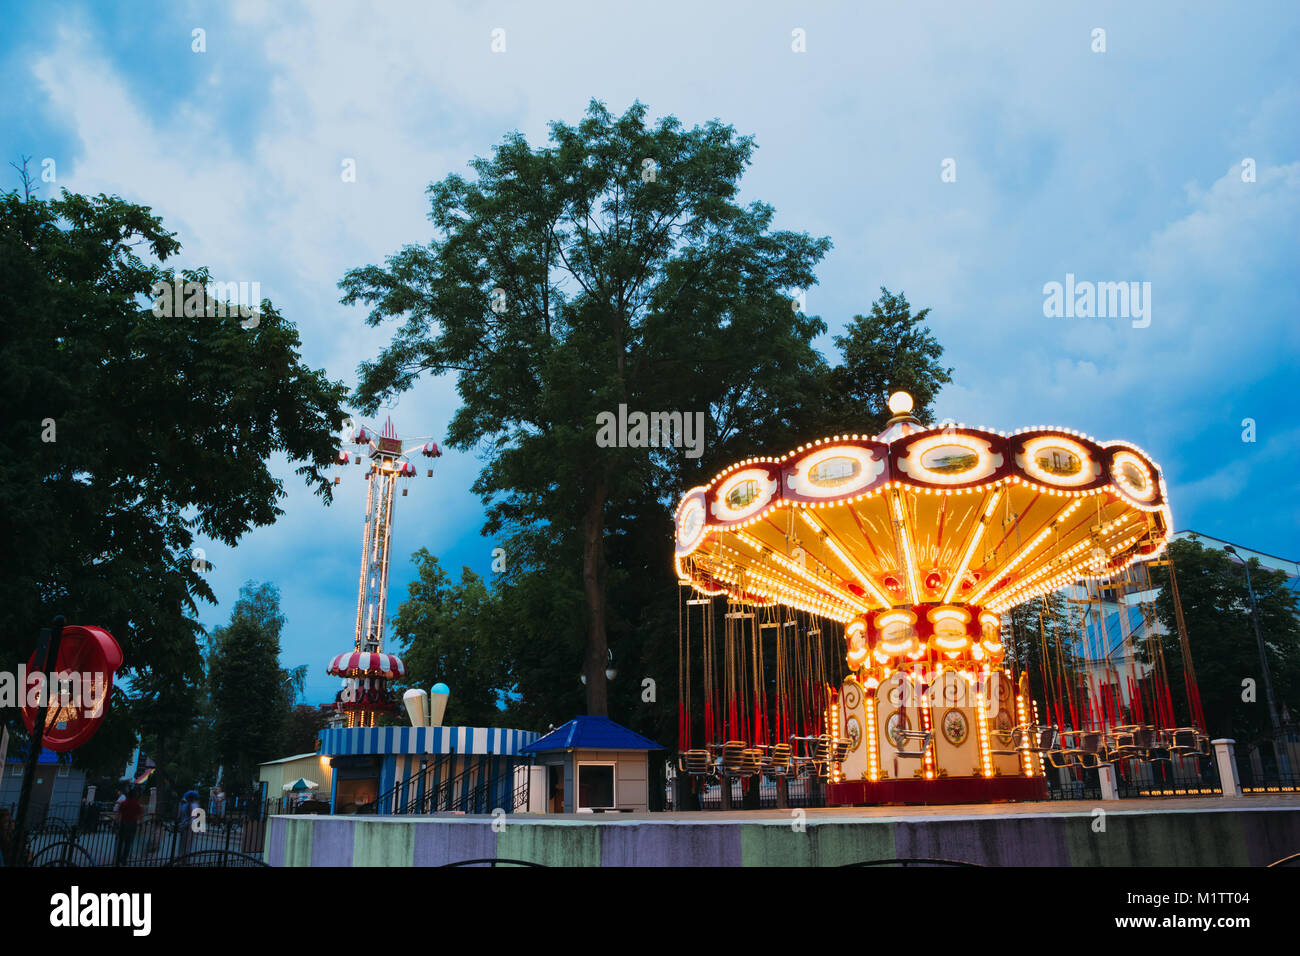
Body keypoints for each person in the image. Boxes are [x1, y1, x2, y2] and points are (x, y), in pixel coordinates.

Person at [115, 789, 144, 865]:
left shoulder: (123, 803)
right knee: (128, 842)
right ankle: (124, 859)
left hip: (123, 823)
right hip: (132, 824)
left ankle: (118, 858)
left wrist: (117, 822)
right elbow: (141, 815)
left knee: (121, 842)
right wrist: (141, 824)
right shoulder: (137, 804)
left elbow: (118, 814)